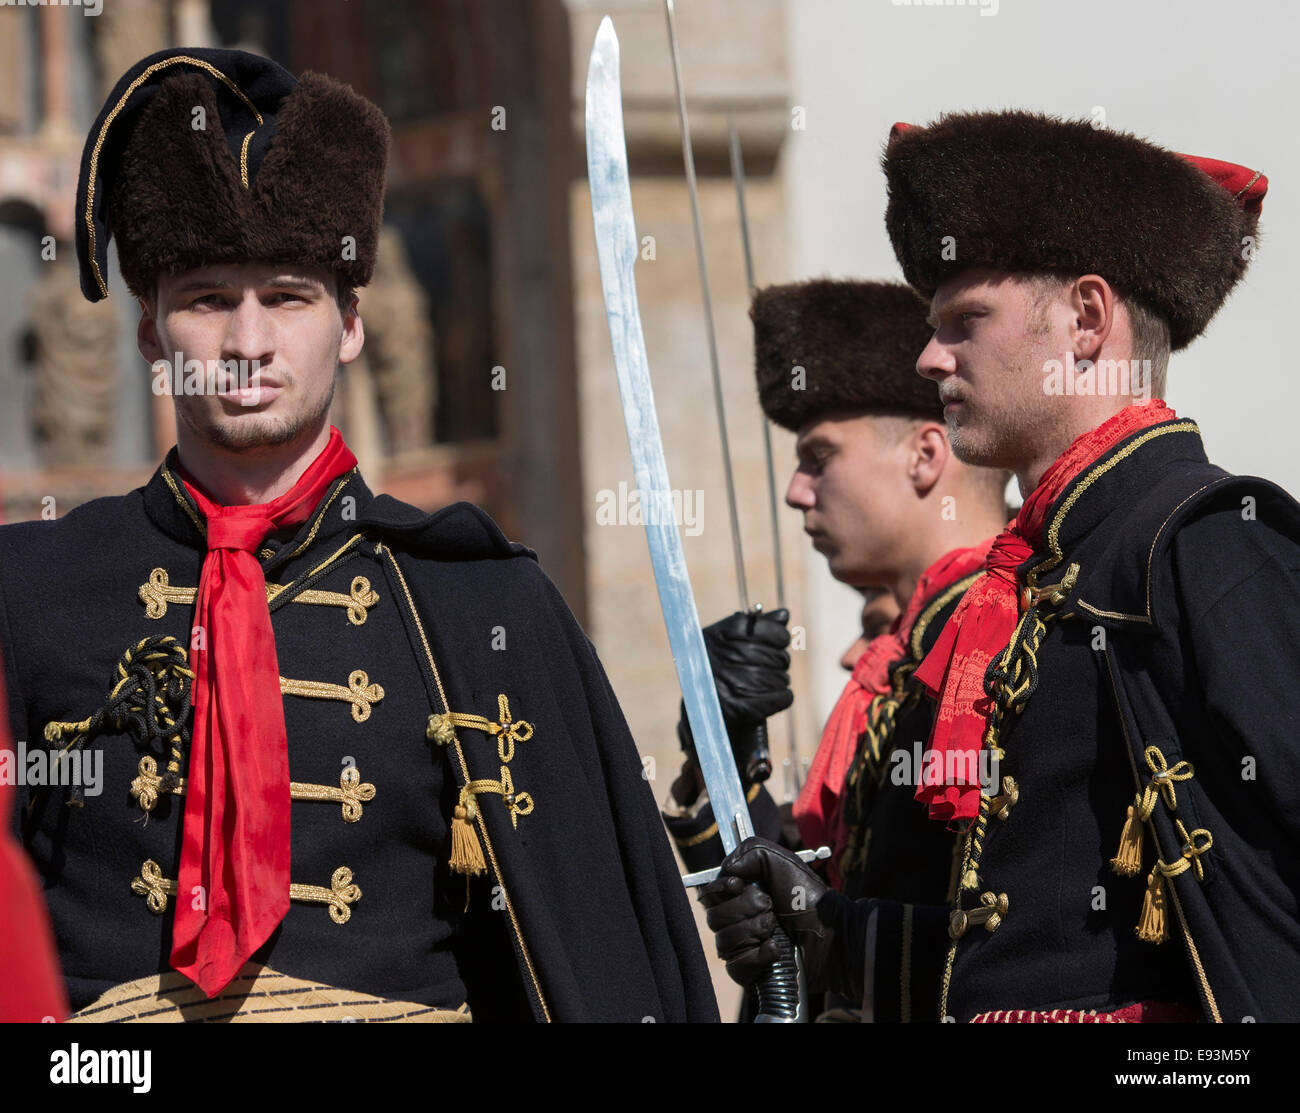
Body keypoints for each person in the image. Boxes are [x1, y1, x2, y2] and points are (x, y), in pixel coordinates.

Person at [1, 47, 717, 1023]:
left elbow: (595, 953)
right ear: (148, 330)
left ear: (349, 323)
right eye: (209, 299)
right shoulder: (30, 590)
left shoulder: (481, 605)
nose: (246, 343)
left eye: (287, 297)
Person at [702, 110, 1300, 1024]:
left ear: (1087, 321)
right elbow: (1031, 946)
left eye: (966, 321)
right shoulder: (1047, 573)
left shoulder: (1207, 540)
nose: (929, 356)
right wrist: (831, 932)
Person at [669, 279, 1009, 1020]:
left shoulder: (1009, 635)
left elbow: (1020, 934)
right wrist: (721, 752)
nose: (797, 490)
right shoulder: (904, 656)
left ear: (926, 456)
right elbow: (814, 886)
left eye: (820, 456)